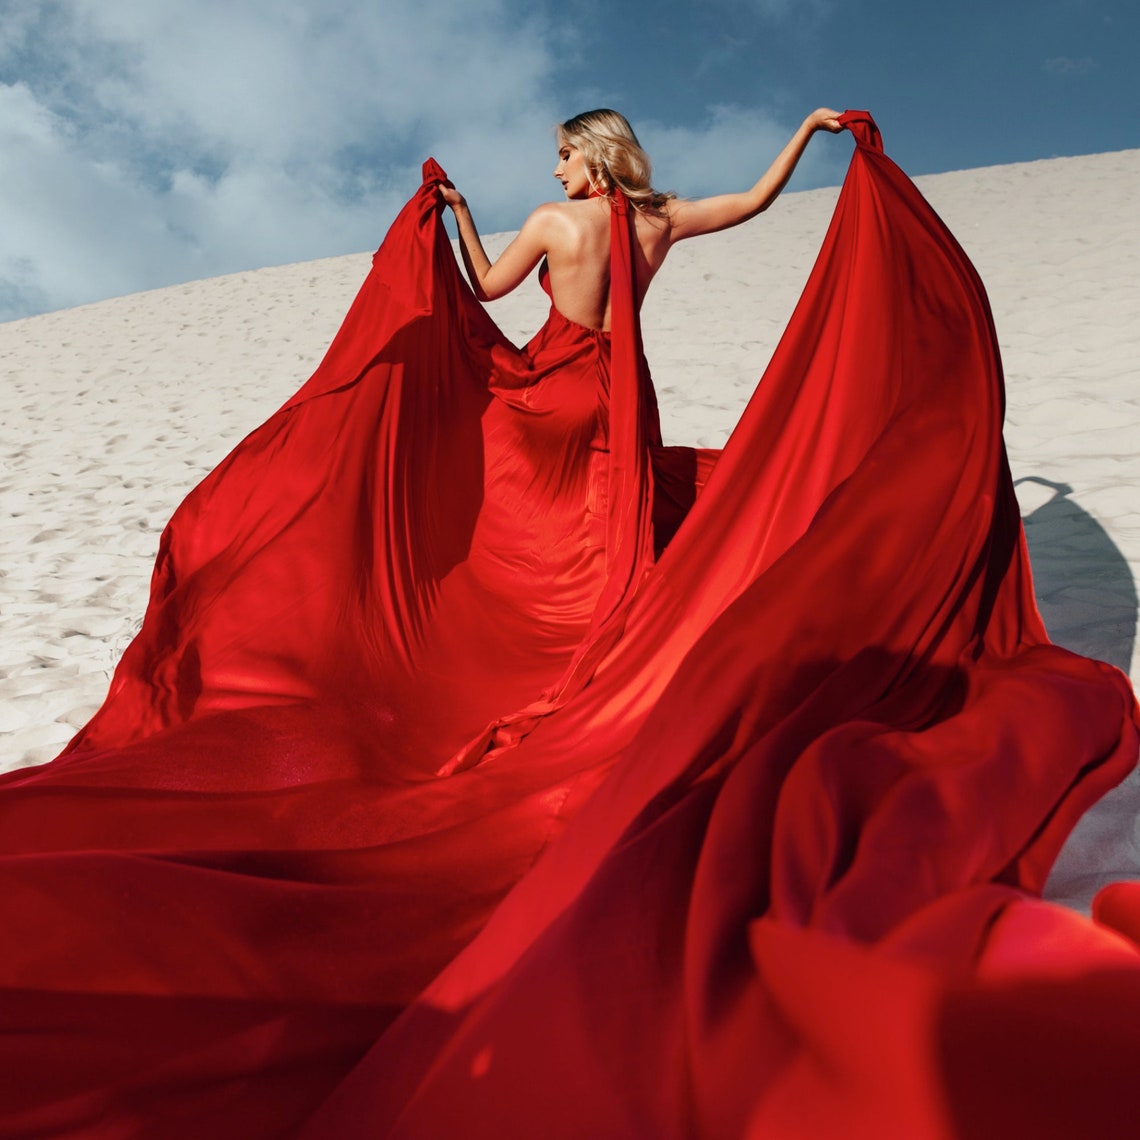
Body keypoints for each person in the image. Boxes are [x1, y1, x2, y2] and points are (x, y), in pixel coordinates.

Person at [1, 108, 1138, 1140]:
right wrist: (809, 136)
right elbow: (751, 202)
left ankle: (523, 645)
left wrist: (443, 223)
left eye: (558, 152)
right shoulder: (658, 222)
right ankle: (608, 634)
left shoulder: (553, 220)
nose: (550, 167)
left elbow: (490, 293)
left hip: (550, 394)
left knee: (497, 512)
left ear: (582, 158)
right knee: (627, 522)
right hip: (618, 410)